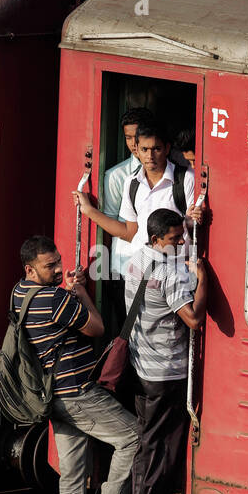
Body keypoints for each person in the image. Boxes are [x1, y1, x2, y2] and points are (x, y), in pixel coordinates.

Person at [13, 235, 140, 494]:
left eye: (57, 261)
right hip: (78, 393)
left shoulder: (19, 294)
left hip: (52, 397)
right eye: (49, 265)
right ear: (30, 268)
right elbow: (97, 328)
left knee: (70, 477)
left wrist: (67, 293)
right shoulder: (55, 299)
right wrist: (81, 293)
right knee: (133, 436)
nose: (57, 269)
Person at [123, 209, 208, 494]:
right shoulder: (170, 274)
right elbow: (194, 319)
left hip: (142, 366)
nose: (182, 243)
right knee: (161, 453)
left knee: (149, 447)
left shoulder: (137, 258)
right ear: (158, 240)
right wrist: (203, 281)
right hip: (166, 374)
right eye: (176, 240)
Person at [74, 125, 203, 270]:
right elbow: (130, 232)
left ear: (167, 149)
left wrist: (192, 221)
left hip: (175, 270)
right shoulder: (131, 182)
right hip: (139, 271)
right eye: (144, 149)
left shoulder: (186, 179)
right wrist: (89, 211)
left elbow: (195, 228)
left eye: (156, 149)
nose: (150, 156)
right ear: (136, 150)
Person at [98, 108, 155, 330]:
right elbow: (111, 225)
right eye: (128, 137)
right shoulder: (116, 177)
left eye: (137, 135)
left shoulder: (170, 172)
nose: (133, 143)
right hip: (123, 267)